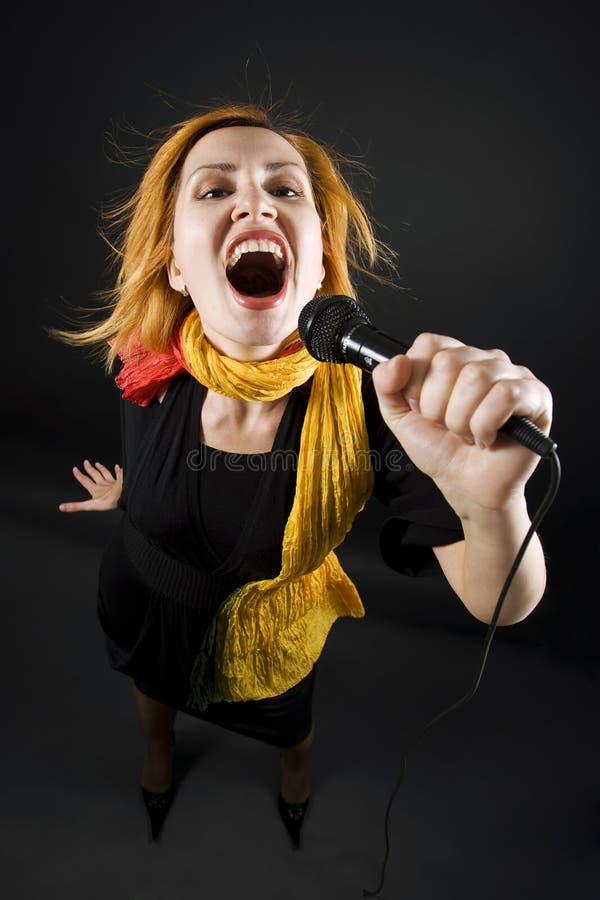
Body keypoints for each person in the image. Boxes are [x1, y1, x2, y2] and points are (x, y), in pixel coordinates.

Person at [52, 101, 552, 848]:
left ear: (317, 265)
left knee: (291, 732)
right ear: (177, 266)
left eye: (285, 189)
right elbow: (156, 460)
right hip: (144, 598)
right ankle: (159, 760)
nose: (255, 203)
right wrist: (131, 495)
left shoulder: (381, 409)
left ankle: (293, 779)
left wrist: (493, 506)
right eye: (215, 189)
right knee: (152, 697)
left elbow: (502, 603)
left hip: (276, 638)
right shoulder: (147, 358)